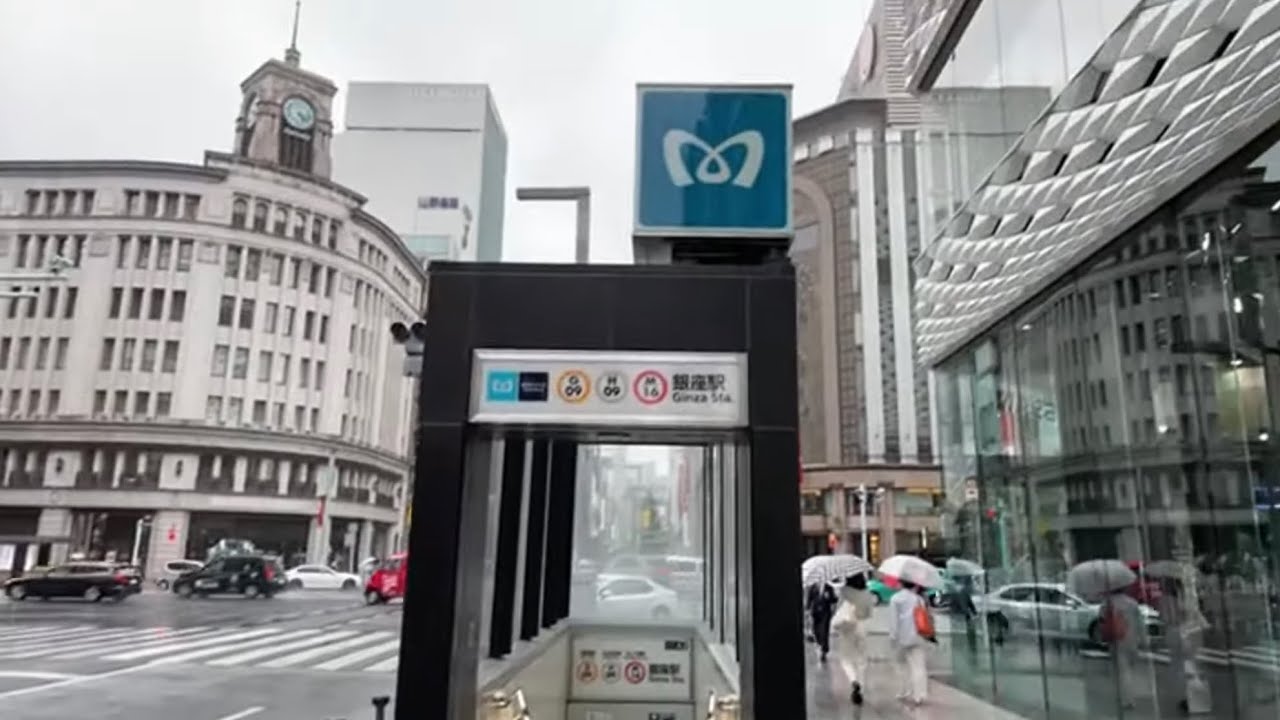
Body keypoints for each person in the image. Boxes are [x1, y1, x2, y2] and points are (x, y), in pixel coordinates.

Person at [831, 573, 876, 705]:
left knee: (846, 658)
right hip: (862, 625)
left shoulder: (845, 591)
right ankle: (860, 688)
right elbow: (869, 612)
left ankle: (853, 680)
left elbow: (837, 608)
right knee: (862, 660)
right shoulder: (867, 593)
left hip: (848, 627)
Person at [888, 579, 933, 705]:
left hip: (902, 636)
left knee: (901, 665)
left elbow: (894, 620)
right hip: (918, 635)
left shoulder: (895, 599)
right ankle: (919, 694)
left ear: (901, 584)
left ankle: (904, 690)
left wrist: (893, 637)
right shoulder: (919, 599)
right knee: (919, 666)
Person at [1101, 587, 1147, 710]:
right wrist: (1143, 639)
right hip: (1132, 639)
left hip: (1116, 640)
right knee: (1129, 670)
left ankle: (1126, 699)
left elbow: (1102, 621)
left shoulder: (1107, 602)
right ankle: (1129, 697)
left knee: (1121, 671)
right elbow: (1140, 622)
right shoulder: (1132, 602)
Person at [808, 580, 838, 662]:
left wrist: (829, 597)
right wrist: (808, 610)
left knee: (824, 631)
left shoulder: (829, 587)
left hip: (825, 612)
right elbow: (809, 599)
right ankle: (819, 643)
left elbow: (834, 599)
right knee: (816, 631)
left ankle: (824, 651)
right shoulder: (813, 586)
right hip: (815, 612)